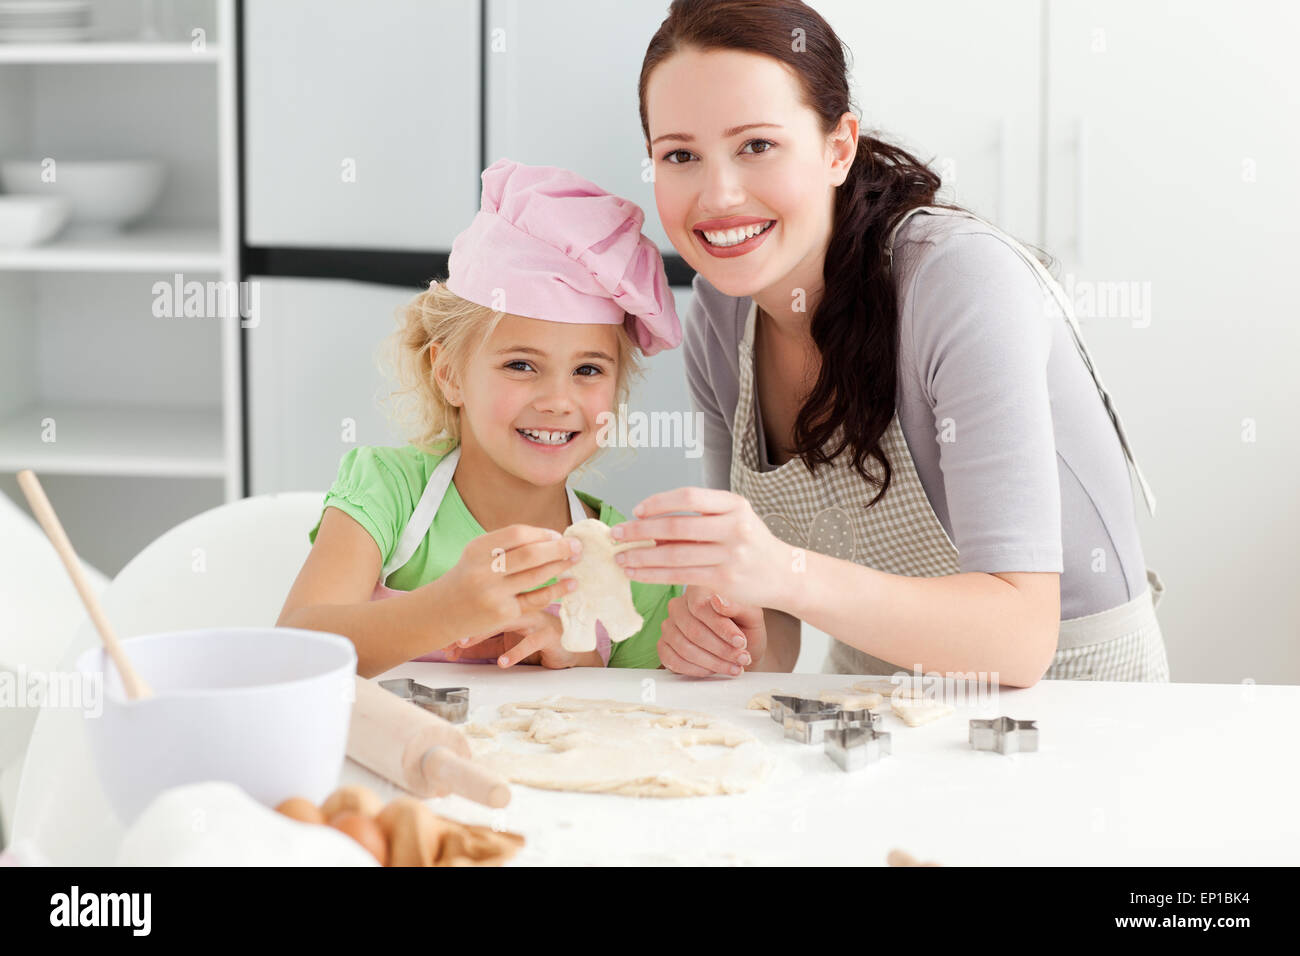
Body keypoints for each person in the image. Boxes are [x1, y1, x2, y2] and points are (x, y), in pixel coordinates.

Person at [612, 0, 1169, 686]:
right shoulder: (723, 319)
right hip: (873, 690)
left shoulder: (958, 281)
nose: (719, 194)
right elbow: (775, 629)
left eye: (756, 145)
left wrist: (777, 570)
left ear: (837, 147)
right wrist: (727, 631)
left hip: (1075, 698)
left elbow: (1019, 638)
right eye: (680, 155)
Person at [277, 159, 683, 679]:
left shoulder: (631, 564)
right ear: (449, 374)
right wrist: (446, 608)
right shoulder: (389, 492)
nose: (558, 400)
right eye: (521, 365)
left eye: (587, 369)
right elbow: (294, 653)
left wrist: (576, 655)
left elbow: (647, 721)